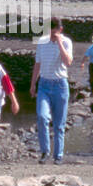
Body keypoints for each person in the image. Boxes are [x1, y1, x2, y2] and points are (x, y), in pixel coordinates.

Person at [30, 17, 73, 164]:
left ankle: (58, 155)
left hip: (60, 85)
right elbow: (37, 64)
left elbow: (68, 62)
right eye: (50, 30)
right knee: (42, 117)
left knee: (59, 124)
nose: (52, 33)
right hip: (44, 84)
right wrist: (32, 84)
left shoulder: (67, 42)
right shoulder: (42, 42)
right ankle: (44, 151)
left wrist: (59, 42)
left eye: (55, 30)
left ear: (60, 30)